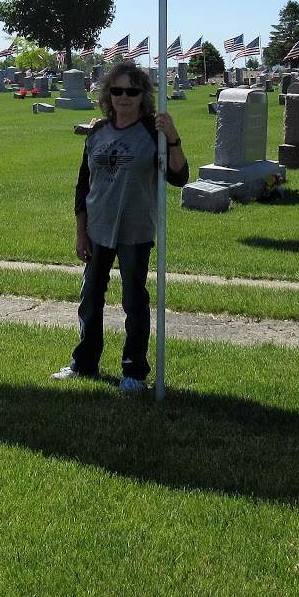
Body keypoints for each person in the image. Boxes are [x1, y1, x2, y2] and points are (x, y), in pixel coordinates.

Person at [52, 61, 188, 392]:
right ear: (107, 94)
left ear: (143, 95)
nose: (123, 97)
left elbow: (179, 177)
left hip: (135, 230)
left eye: (132, 91)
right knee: (90, 299)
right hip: (97, 228)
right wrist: (80, 231)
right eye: (117, 90)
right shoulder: (97, 133)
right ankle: (84, 363)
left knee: (133, 302)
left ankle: (133, 373)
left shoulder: (151, 133)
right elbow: (84, 187)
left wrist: (172, 138)